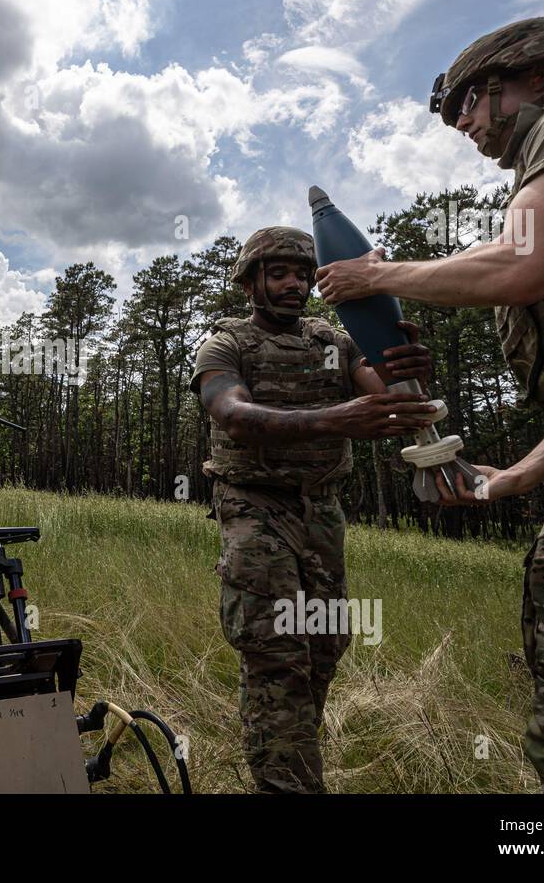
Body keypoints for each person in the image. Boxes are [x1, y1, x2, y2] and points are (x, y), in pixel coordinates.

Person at [315, 17, 544, 792]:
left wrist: (377, 277)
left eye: (469, 105)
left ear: (538, 75)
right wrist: (517, 476)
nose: (466, 127)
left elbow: (520, 264)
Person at [191, 225, 435, 792]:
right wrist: (333, 419)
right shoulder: (225, 344)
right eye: (278, 273)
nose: (293, 285)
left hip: (322, 513)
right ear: (251, 282)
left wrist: (404, 364)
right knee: (276, 655)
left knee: (324, 646)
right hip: (255, 510)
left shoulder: (335, 341)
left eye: (302, 274)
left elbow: (397, 399)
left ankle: (293, 764)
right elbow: (231, 414)